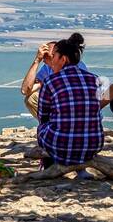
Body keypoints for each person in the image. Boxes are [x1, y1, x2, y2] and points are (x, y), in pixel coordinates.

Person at [36, 33, 106, 166]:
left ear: (63, 59)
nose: (52, 61)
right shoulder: (95, 79)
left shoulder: (51, 81)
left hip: (61, 146)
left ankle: (48, 164)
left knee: (42, 127)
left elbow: (42, 116)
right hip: (93, 145)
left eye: (54, 56)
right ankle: (81, 168)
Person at [21, 38, 91, 119]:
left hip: (79, 112)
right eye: (45, 58)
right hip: (63, 111)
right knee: (31, 98)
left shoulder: (77, 67)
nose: (46, 60)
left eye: (52, 56)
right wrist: (37, 60)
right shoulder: (48, 68)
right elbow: (26, 90)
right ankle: (53, 126)